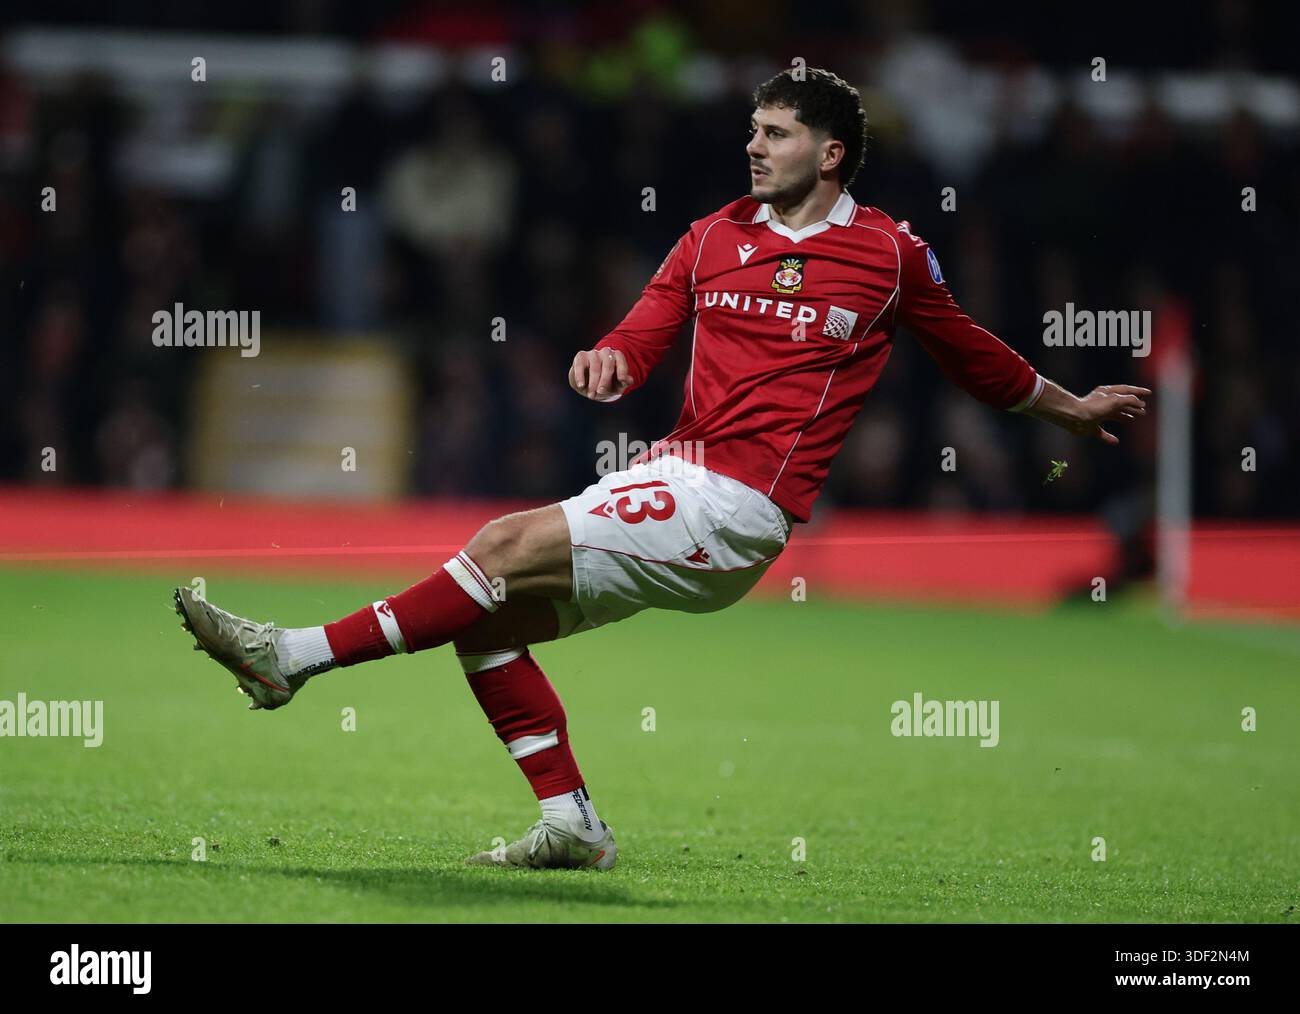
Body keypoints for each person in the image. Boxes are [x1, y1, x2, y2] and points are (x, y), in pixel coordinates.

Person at [175, 68, 1150, 871]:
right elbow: (639, 338)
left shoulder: (888, 254)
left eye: (774, 133)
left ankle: (289, 658)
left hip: (740, 506)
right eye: (752, 131)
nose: (754, 146)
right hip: (676, 476)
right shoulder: (708, 238)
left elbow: (970, 349)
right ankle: (571, 824)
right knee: (484, 618)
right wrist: (609, 360)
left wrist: (1070, 409)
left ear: (830, 152)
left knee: (497, 546)